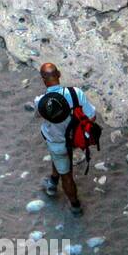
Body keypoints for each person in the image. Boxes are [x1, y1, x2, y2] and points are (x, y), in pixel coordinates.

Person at [34, 62, 96, 214]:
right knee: (62, 162)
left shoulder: (40, 102)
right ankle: (54, 180)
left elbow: (39, 117)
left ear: (43, 79)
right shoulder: (76, 93)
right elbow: (92, 116)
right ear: (59, 74)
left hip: (57, 143)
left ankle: (75, 205)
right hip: (75, 139)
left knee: (67, 176)